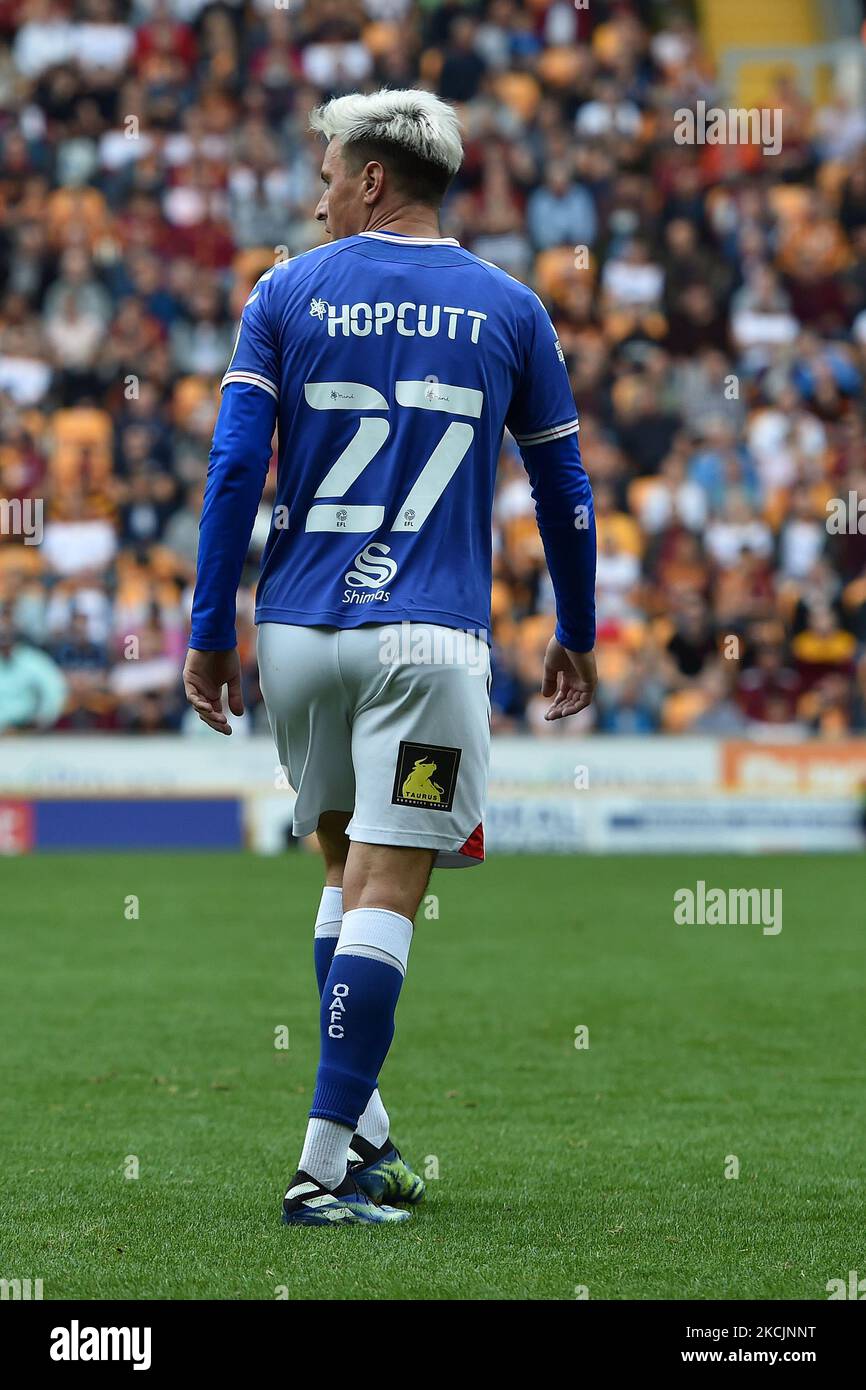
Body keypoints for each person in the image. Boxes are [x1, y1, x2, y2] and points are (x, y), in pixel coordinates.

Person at [183, 89, 597, 1226]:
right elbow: (564, 489)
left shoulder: (281, 293)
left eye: (326, 175)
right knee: (388, 891)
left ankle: (363, 1140)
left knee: (339, 873)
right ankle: (318, 1170)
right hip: (423, 640)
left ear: (372, 179)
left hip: (297, 638)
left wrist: (207, 628)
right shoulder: (511, 309)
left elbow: (231, 473)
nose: (315, 196)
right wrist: (577, 627)